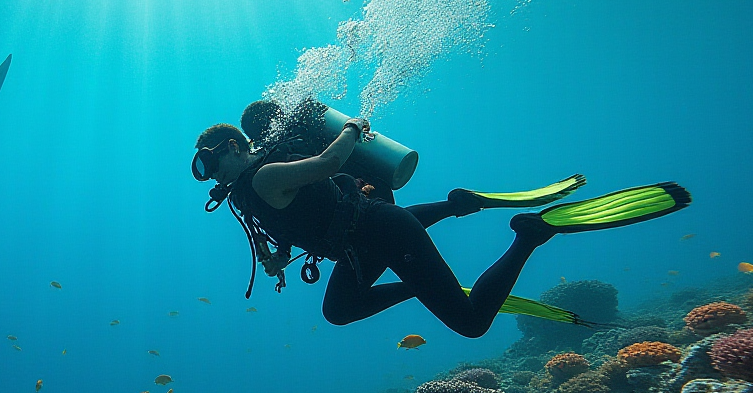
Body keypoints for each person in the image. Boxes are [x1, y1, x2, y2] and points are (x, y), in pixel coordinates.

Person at [192, 102, 689, 336]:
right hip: (361, 241)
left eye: (211, 161)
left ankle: (530, 235)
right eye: (203, 169)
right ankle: (454, 209)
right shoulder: (246, 196)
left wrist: (351, 127)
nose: (211, 173)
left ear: (234, 146)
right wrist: (278, 257)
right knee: (339, 310)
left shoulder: (263, 177)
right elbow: (297, 222)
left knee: (471, 323)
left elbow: (328, 164)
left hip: (383, 231)